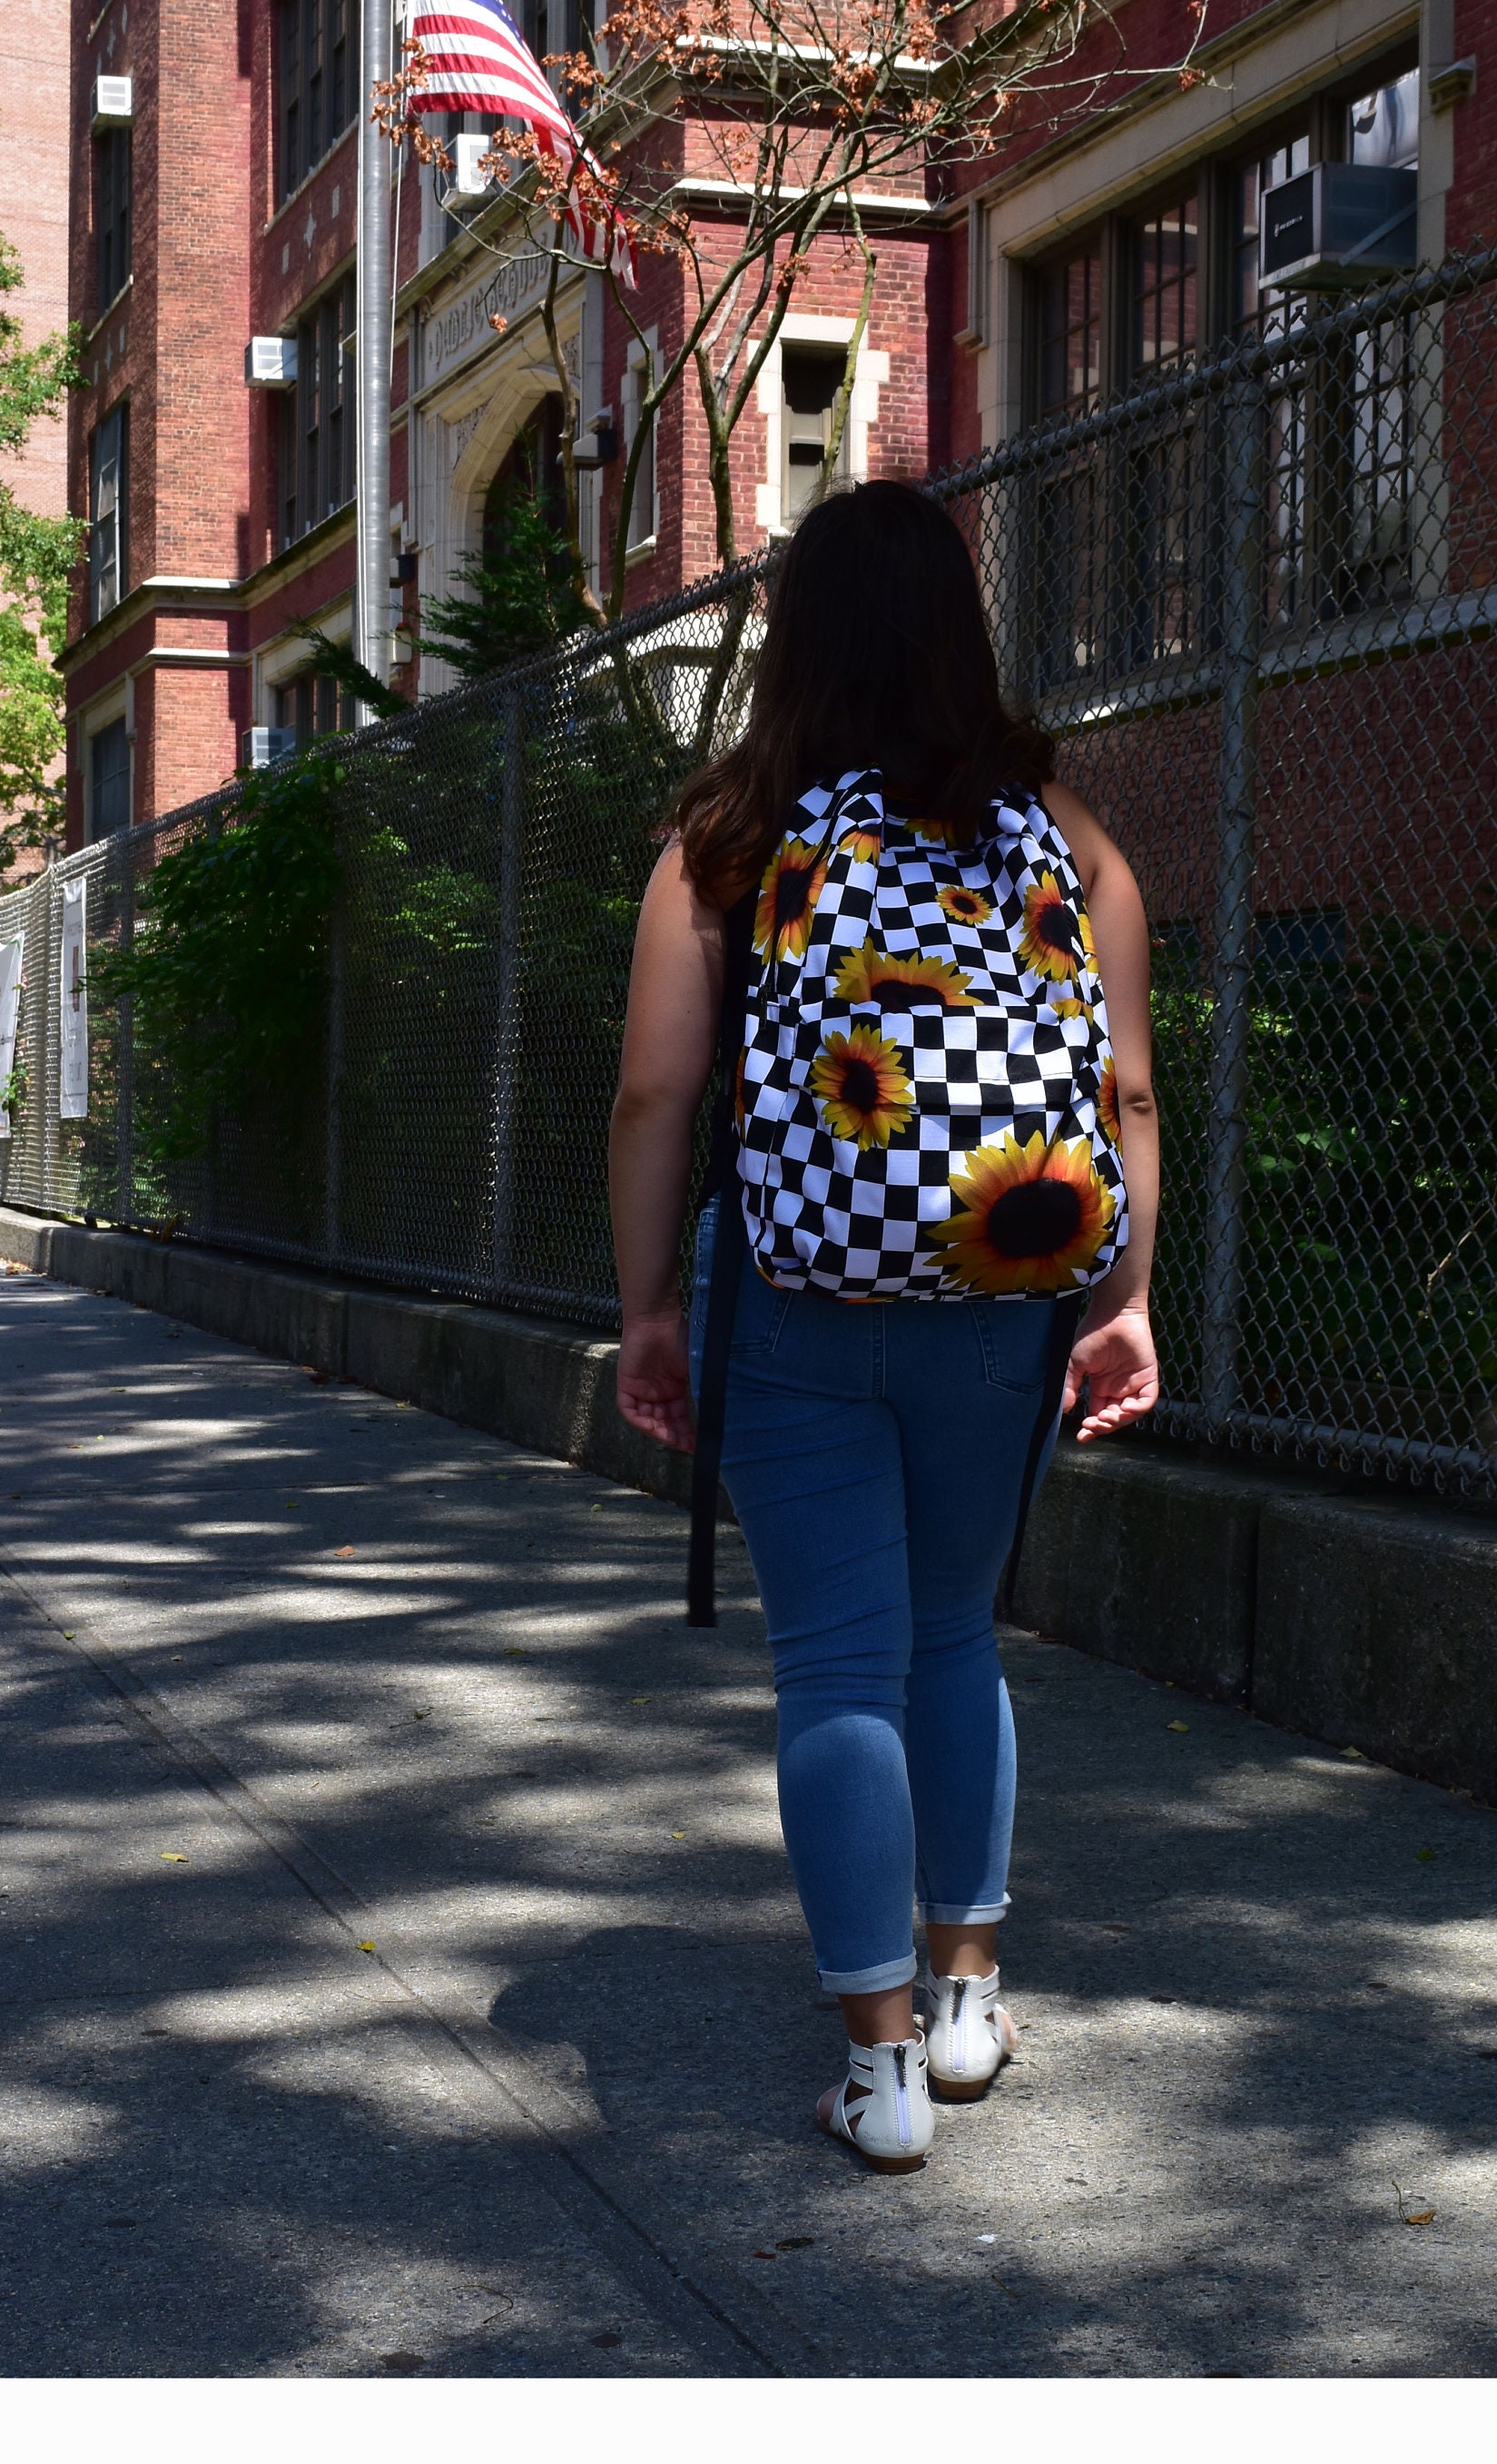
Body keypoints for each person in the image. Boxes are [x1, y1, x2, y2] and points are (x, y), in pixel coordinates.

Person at [605, 478, 1162, 2173]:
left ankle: (881, 2068)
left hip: (790, 1295)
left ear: (793, 638)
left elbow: (653, 1096)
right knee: (951, 1637)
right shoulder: (1065, 837)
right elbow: (1129, 1091)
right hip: (1005, 1297)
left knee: (835, 1662)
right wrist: (1126, 1300)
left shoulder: (728, 838)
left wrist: (646, 1307)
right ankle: (969, 1991)